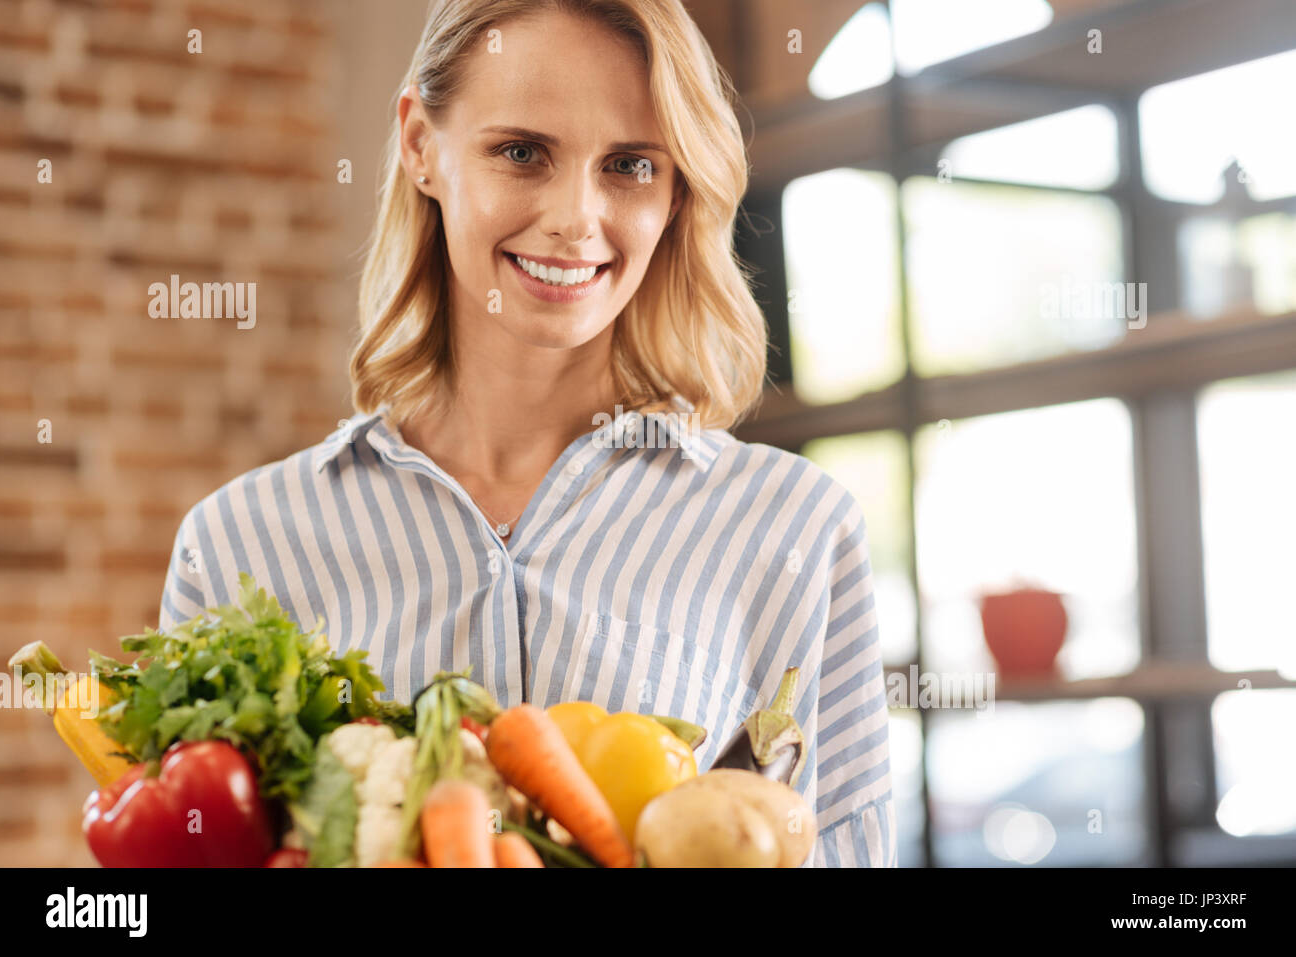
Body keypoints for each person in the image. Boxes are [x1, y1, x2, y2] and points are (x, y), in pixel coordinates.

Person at [159, 0, 895, 867]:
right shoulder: (237, 543)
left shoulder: (797, 529)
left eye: (629, 165)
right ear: (420, 146)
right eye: (521, 152)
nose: (576, 218)